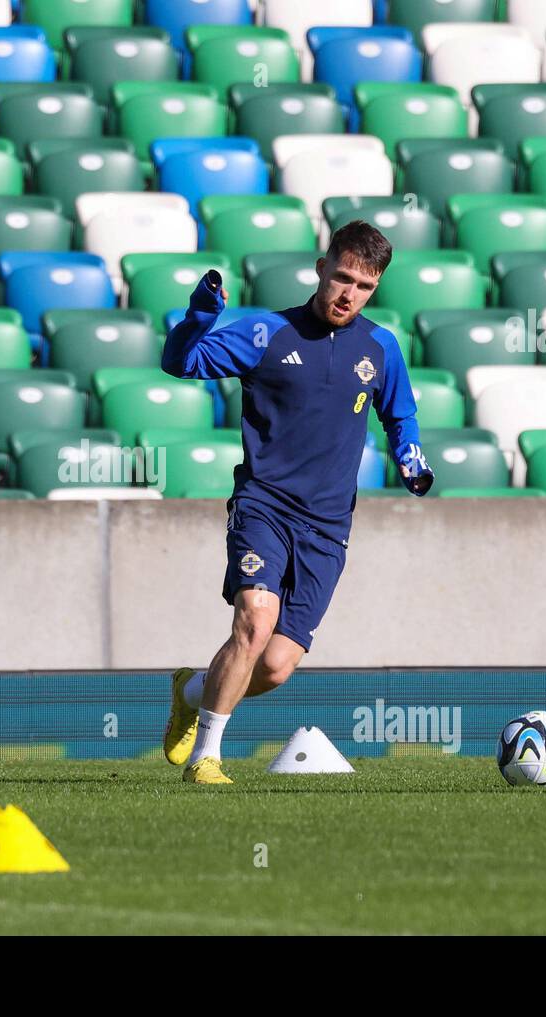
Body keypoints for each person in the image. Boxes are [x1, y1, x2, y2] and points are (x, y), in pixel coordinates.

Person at [159, 221, 434, 784]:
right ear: (321, 269)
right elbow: (180, 363)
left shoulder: (380, 347)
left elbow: (399, 414)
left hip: (327, 526)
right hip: (263, 504)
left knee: (278, 666)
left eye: (363, 285)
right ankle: (205, 757)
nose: (348, 294)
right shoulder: (268, 333)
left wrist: (410, 458)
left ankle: (191, 690)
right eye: (341, 278)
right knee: (255, 619)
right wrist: (200, 318)